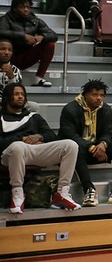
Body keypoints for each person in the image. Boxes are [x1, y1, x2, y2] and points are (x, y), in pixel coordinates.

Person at [58, 79, 112, 206]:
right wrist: (92, 147)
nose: (99, 98)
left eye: (102, 95)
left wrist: (103, 144)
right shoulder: (70, 109)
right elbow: (70, 135)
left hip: (97, 150)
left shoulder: (105, 109)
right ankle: (89, 190)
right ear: (85, 95)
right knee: (75, 148)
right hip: (77, 152)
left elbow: (108, 132)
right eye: (95, 94)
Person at [0, 84, 81, 213]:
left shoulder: (34, 117)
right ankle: (17, 194)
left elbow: (51, 136)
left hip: (34, 151)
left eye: (22, 94)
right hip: (10, 154)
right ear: (7, 98)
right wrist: (22, 139)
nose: (20, 96)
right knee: (18, 147)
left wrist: (39, 136)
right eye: (16, 94)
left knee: (70, 145)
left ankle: (62, 193)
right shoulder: (1, 118)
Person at [0, 0, 57, 87]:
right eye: (22, 7)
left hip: (25, 57)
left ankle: (39, 78)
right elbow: (1, 32)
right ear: (14, 9)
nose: (26, 10)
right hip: (8, 57)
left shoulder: (35, 21)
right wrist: (23, 36)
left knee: (50, 44)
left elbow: (53, 35)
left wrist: (42, 36)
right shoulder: (5, 19)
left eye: (28, 7)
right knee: (4, 43)